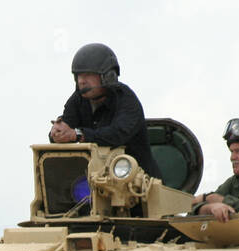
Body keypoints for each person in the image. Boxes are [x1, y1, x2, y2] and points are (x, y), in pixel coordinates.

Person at [49, 43, 161, 179]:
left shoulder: (126, 99)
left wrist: (78, 135)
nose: (82, 81)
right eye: (79, 75)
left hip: (138, 182)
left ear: (107, 76)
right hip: (94, 180)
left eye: (88, 75)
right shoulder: (77, 99)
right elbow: (68, 126)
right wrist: (58, 133)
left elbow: (116, 134)